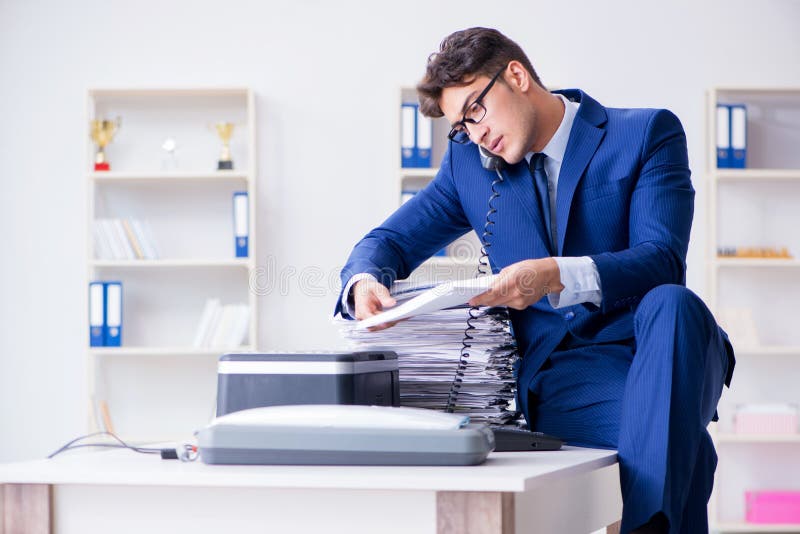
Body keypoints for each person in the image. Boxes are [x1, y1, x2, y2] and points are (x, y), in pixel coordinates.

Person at [334, 27, 734, 534]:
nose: (475, 135)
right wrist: (363, 280)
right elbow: (390, 239)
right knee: (688, 447)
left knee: (674, 303)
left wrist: (556, 274)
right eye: (461, 127)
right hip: (570, 375)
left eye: (475, 111)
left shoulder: (646, 133)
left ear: (517, 76)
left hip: (669, 347)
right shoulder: (470, 167)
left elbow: (661, 259)